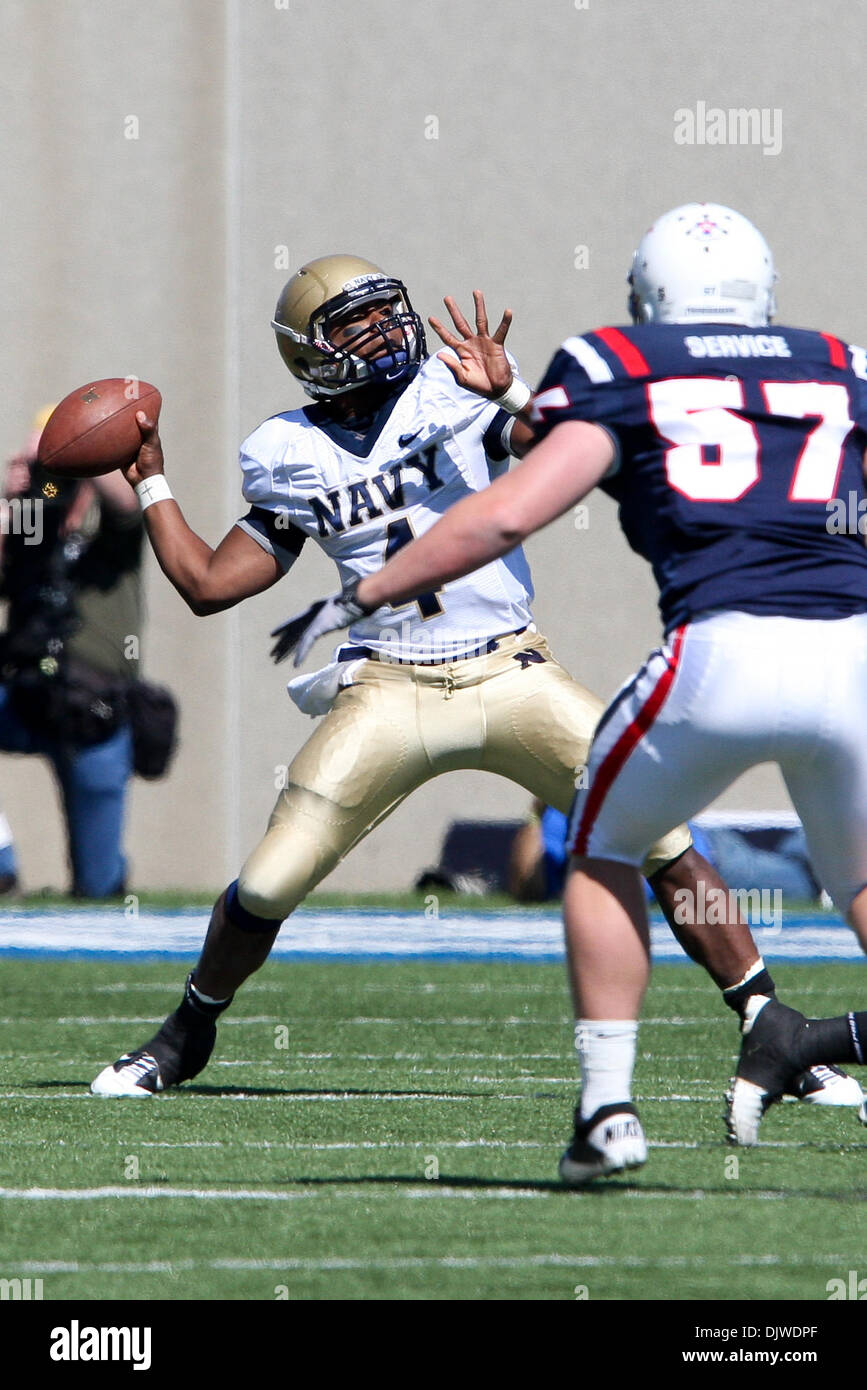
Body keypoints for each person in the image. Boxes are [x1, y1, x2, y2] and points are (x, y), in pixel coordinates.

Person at [92, 252, 849, 1113]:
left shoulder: (457, 393)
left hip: (509, 668)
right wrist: (149, 472)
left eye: (386, 312)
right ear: (311, 352)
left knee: (666, 842)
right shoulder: (286, 451)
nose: (384, 331)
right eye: (355, 323)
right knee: (268, 880)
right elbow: (207, 584)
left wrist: (512, 396)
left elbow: (562, 454)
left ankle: (770, 1025)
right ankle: (185, 1034)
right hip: (388, 687)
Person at [269, 208, 867, 1175]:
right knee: (860, 887)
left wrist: (367, 592)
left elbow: (507, 511)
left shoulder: (618, 362)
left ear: (649, 290)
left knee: (600, 846)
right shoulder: (841, 361)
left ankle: (606, 1111)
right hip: (849, 659)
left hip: (716, 653)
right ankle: (808, 1038)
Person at [0, 408, 144, 896]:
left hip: (92, 712)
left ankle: (100, 883)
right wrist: (12, 506)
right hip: (24, 698)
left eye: (49, 465)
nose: (42, 477)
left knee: (98, 889)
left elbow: (127, 506)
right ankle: (1, 863)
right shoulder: (26, 532)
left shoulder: (109, 535)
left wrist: (75, 448)